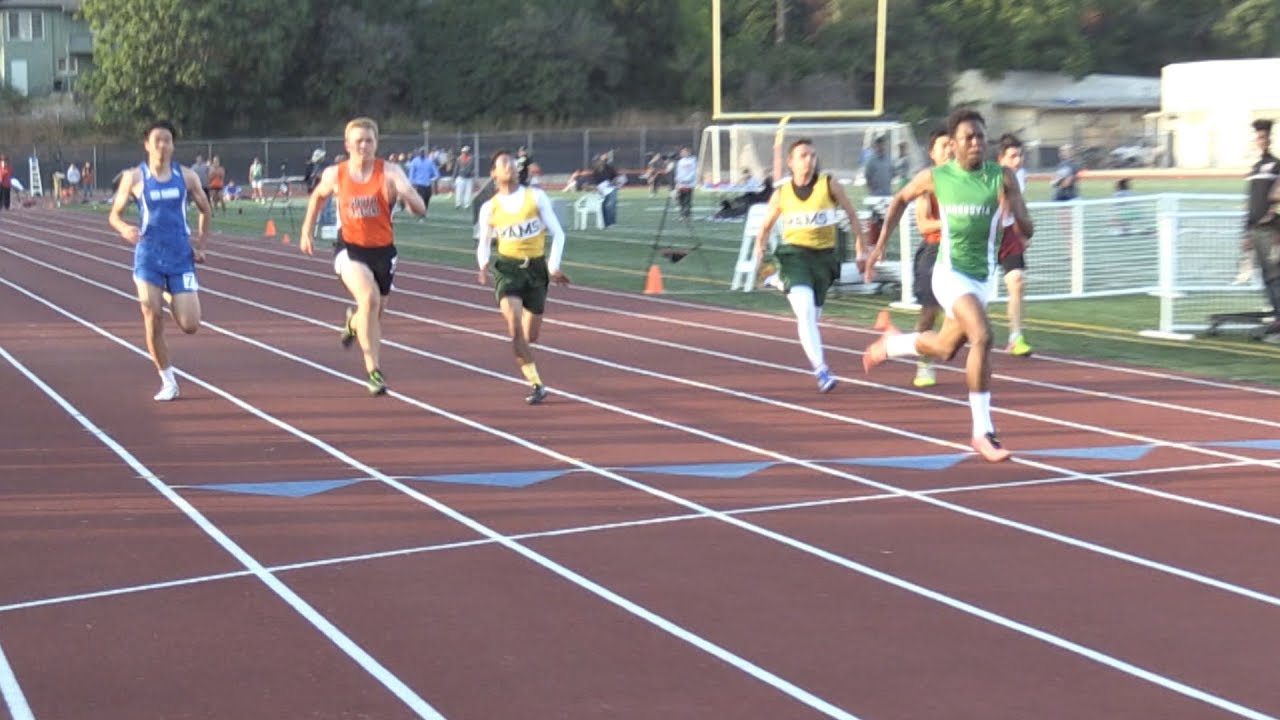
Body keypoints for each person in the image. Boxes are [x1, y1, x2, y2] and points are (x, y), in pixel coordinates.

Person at [862, 109, 1034, 463]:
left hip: (982, 277)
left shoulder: (1001, 177)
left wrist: (1020, 220)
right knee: (983, 336)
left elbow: (1025, 224)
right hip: (949, 274)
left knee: (943, 349)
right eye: (968, 137)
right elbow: (899, 200)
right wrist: (879, 246)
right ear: (953, 145)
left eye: (981, 137)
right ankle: (982, 431)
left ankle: (891, 345)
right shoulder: (936, 177)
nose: (976, 143)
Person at [299, 117, 427, 396]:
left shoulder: (390, 172)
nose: (364, 146)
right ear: (347, 145)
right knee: (367, 298)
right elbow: (318, 197)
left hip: (383, 252)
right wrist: (307, 230)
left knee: (373, 315)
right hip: (350, 249)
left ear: (376, 144)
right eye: (358, 141)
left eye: (369, 141)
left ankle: (352, 322)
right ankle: (375, 372)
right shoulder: (336, 174)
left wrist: (407, 194)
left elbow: (420, 209)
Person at [107, 120, 213, 402]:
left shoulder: (187, 177)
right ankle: (168, 381)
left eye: (167, 140)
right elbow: (114, 215)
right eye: (157, 140)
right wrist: (124, 228)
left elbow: (205, 208)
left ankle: (169, 293)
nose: (162, 146)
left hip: (180, 256)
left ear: (173, 145)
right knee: (151, 316)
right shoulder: (134, 178)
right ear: (147, 145)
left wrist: (201, 244)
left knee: (190, 324)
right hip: (148, 256)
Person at [753, 137, 868, 393]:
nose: (809, 160)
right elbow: (766, 225)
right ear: (791, 163)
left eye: (812, 155)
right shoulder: (782, 194)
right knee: (804, 312)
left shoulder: (828, 185)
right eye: (803, 155)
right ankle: (821, 370)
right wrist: (760, 246)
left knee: (813, 317)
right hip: (795, 255)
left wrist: (862, 248)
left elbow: (851, 213)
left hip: (824, 259)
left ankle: (779, 281)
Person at [475, 149, 571, 404]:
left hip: (536, 270)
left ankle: (527, 359)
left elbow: (558, 234)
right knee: (514, 326)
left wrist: (553, 266)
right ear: (493, 173)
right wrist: (483, 264)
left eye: (512, 163)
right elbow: (484, 240)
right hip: (508, 269)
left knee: (530, 336)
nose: (509, 167)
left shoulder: (535, 197)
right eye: (503, 163)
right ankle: (537, 384)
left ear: (519, 170)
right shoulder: (489, 207)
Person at [906, 127, 952, 388]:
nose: (949, 150)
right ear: (932, 153)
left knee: (964, 311)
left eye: (951, 145)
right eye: (943, 145)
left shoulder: (965, 181)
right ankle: (924, 362)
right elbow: (924, 225)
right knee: (929, 311)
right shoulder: (926, 185)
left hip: (960, 252)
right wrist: (953, 221)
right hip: (934, 251)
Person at [996, 134, 1033, 357]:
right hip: (984, 235)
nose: (1017, 160)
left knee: (1017, 281)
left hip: (1009, 234)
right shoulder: (990, 176)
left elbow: (1019, 203)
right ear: (1001, 158)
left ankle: (1015, 337)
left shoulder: (1020, 175)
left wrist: (1023, 230)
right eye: (1012, 156)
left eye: (1020, 155)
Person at [1244, 119, 1280, 336]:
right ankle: (1277, 316)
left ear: (1269, 139)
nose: (1261, 140)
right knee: (1266, 276)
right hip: (1256, 230)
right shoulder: (1256, 168)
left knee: (1276, 275)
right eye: (1258, 137)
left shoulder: (1277, 166)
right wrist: (1246, 232)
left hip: (1272, 230)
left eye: (1264, 136)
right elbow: (1250, 202)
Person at [407, 148, 440, 216]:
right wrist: (411, 182)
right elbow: (412, 173)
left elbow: (435, 172)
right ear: (419, 153)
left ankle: (424, 211)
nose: (422, 154)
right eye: (421, 152)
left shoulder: (429, 162)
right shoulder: (415, 161)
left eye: (423, 152)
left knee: (427, 198)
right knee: (421, 198)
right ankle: (421, 213)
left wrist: (435, 178)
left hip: (428, 184)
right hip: (419, 184)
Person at [673, 146, 698, 221]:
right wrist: (677, 181)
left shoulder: (693, 160)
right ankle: (682, 215)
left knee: (687, 200)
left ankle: (687, 216)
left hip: (689, 184)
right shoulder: (680, 161)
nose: (682, 153)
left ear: (688, 152)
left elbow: (694, 172)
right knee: (680, 200)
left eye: (684, 152)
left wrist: (687, 180)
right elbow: (678, 173)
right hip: (681, 184)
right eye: (682, 152)